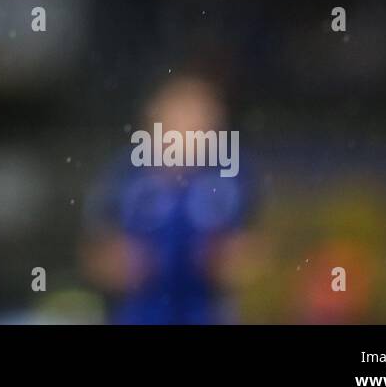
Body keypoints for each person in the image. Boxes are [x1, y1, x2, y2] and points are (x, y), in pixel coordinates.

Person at [80, 74, 259, 324]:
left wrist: (226, 262)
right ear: (154, 119)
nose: (189, 129)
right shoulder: (125, 176)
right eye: (180, 117)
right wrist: (124, 263)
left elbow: (252, 256)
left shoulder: (232, 177)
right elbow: (96, 254)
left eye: (199, 118)